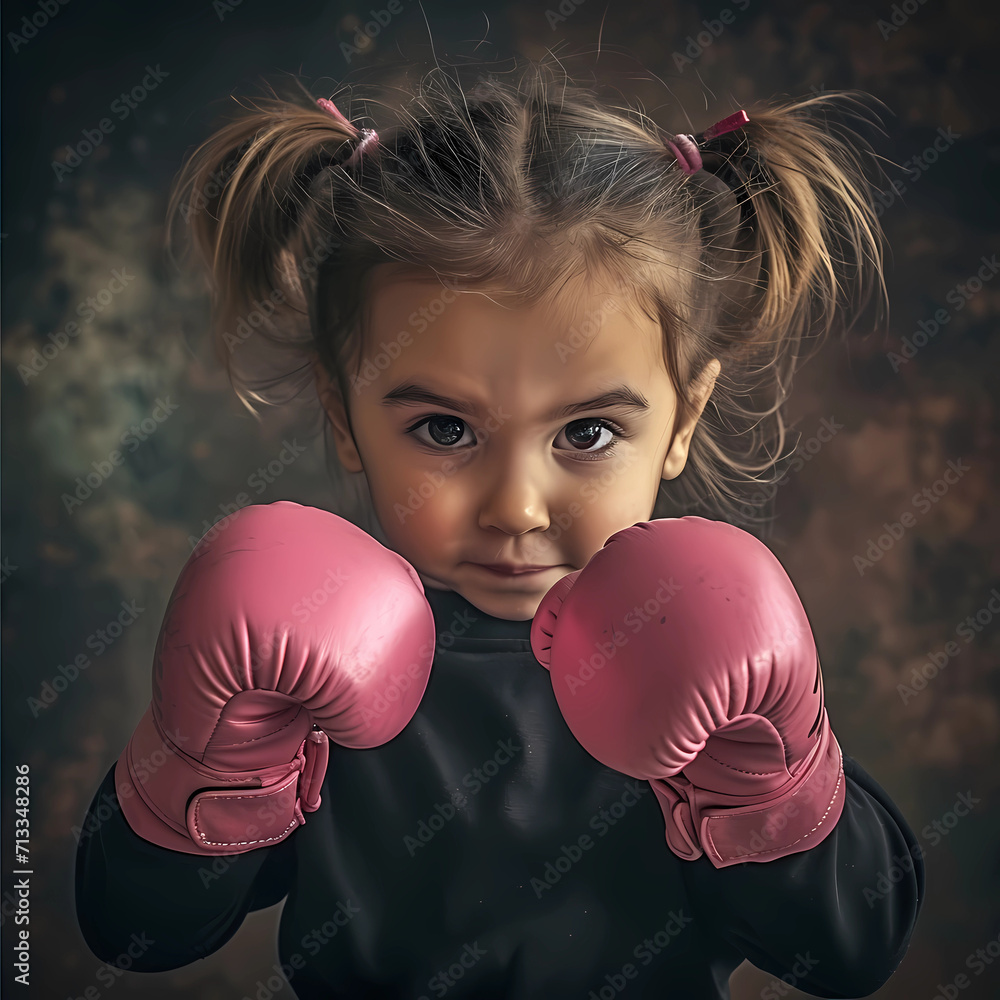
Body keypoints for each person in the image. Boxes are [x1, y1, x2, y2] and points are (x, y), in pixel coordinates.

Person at [75, 57, 924, 999]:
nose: (517, 508)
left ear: (684, 418)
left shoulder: (713, 650)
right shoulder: (295, 648)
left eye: (587, 432)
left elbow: (851, 955)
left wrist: (765, 778)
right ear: (342, 411)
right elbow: (137, 934)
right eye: (445, 430)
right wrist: (211, 756)